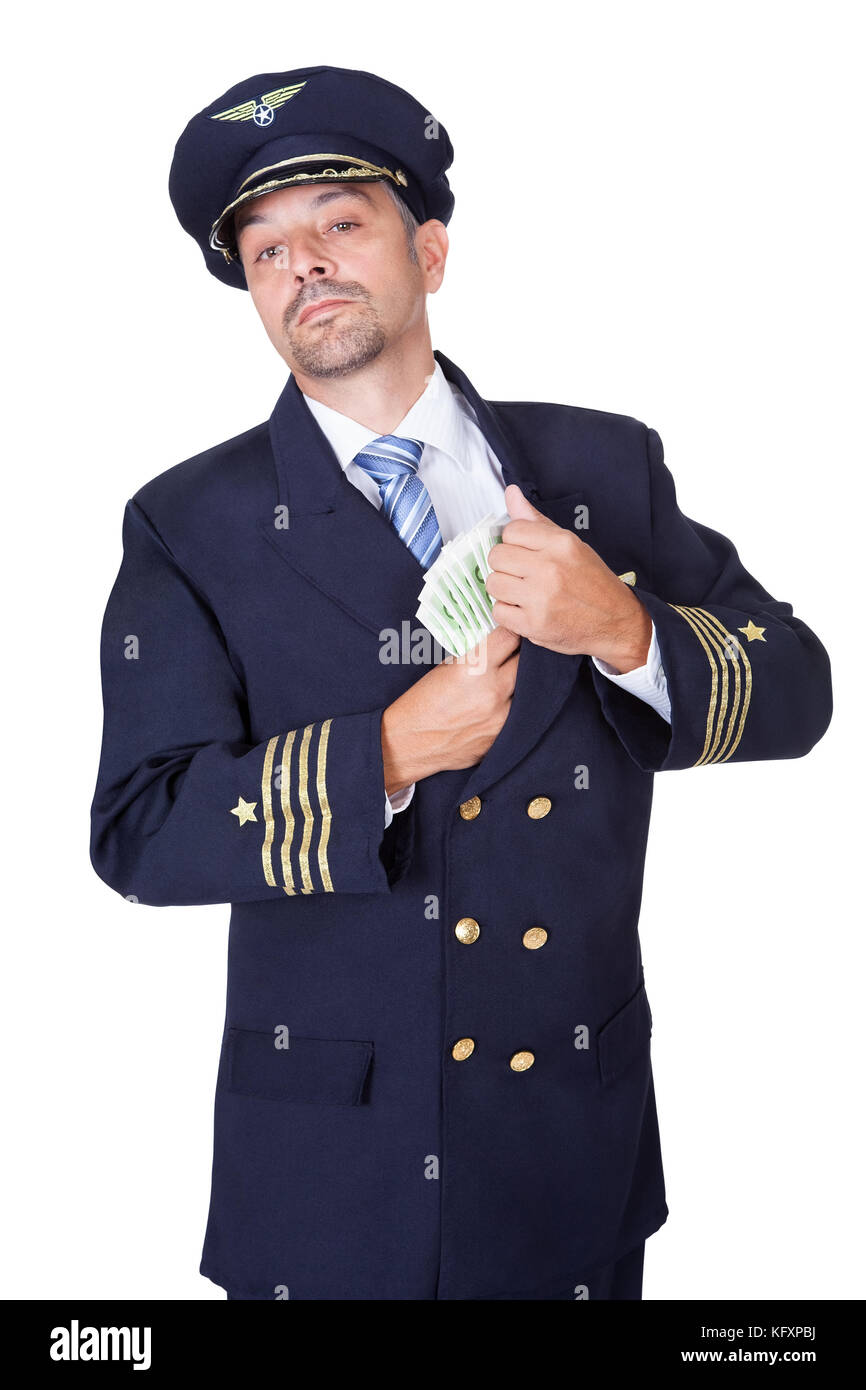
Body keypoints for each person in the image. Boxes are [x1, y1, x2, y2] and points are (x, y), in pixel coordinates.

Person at [90, 64, 832, 1301]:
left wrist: (625, 626)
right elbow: (138, 830)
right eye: (267, 249)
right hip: (334, 1173)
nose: (304, 264)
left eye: (340, 221)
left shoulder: (603, 463)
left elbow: (798, 690)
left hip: (565, 1158)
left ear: (427, 250)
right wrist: (379, 754)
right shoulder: (188, 524)